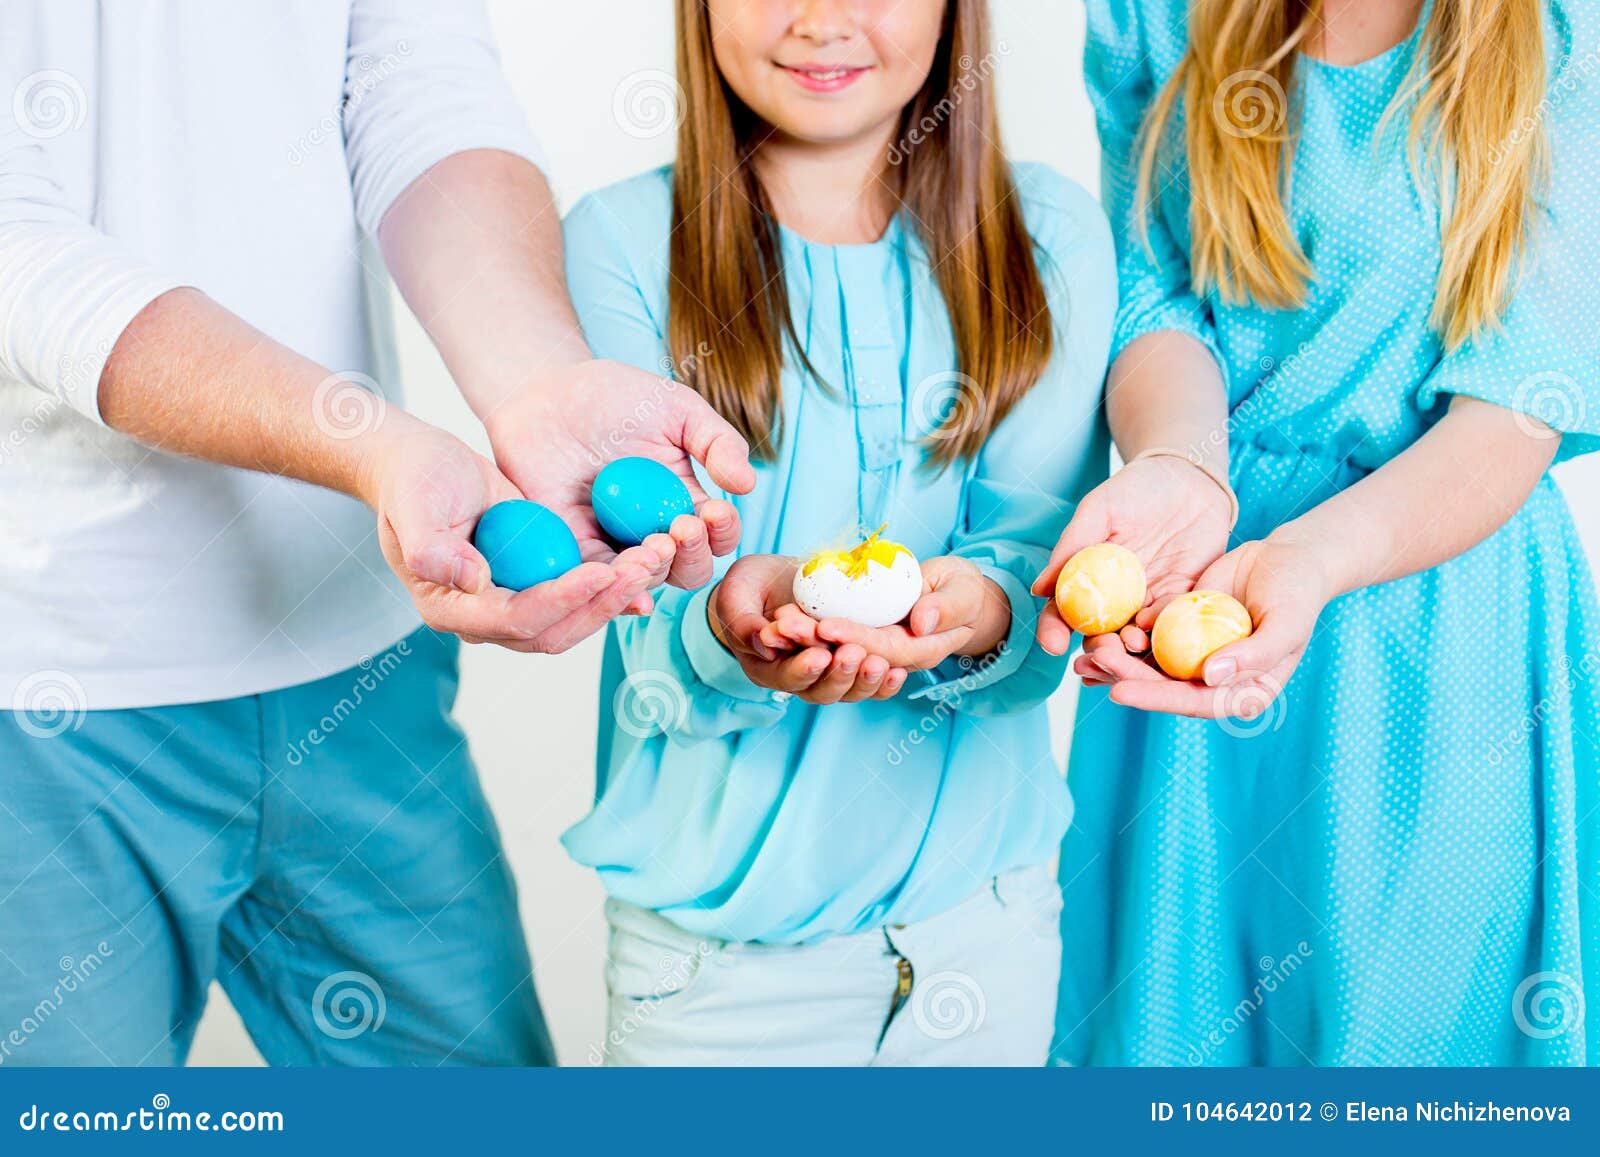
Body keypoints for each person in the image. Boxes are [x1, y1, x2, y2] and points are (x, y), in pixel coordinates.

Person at [0, 0, 751, 1066]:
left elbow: (413, 79)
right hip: (45, 693)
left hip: (358, 647)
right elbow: (16, 251)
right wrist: (373, 449)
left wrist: (539, 384)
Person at [1039, 0, 1600, 1064]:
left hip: (1445, 608)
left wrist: (1310, 556)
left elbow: (1517, 403)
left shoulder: (1565, 34)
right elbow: (1154, 307)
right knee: (1184, 1038)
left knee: (1418, 1048)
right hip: (1198, 585)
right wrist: (1177, 464)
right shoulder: (1154, 19)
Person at [559, 0, 1115, 1065]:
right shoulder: (618, 240)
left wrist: (978, 611)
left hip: (982, 933)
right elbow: (640, 609)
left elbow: (1039, 563)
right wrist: (726, 623)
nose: (823, 19)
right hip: (717, 972)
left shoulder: (1049, 235)